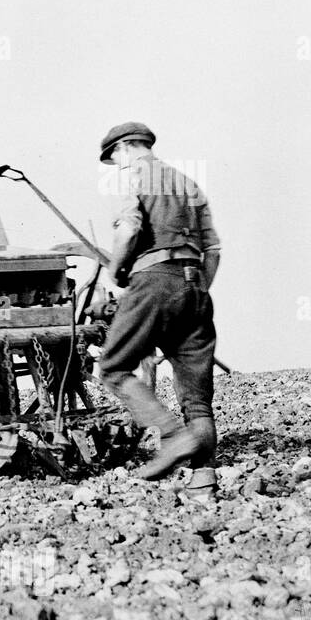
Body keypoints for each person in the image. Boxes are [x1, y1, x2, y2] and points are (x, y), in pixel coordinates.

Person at [96, 122, 221, 499]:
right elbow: (213, 249)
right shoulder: (188, 183)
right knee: (197, 398)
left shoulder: (136, 178)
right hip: (195, 284)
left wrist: (116, 270)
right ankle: (204, 483)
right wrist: (194, 286)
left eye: (115, 156)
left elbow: (130, 230)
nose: (116, 163)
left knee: (113, 368)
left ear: (128, 148)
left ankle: (171, 436)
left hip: (153, 280)